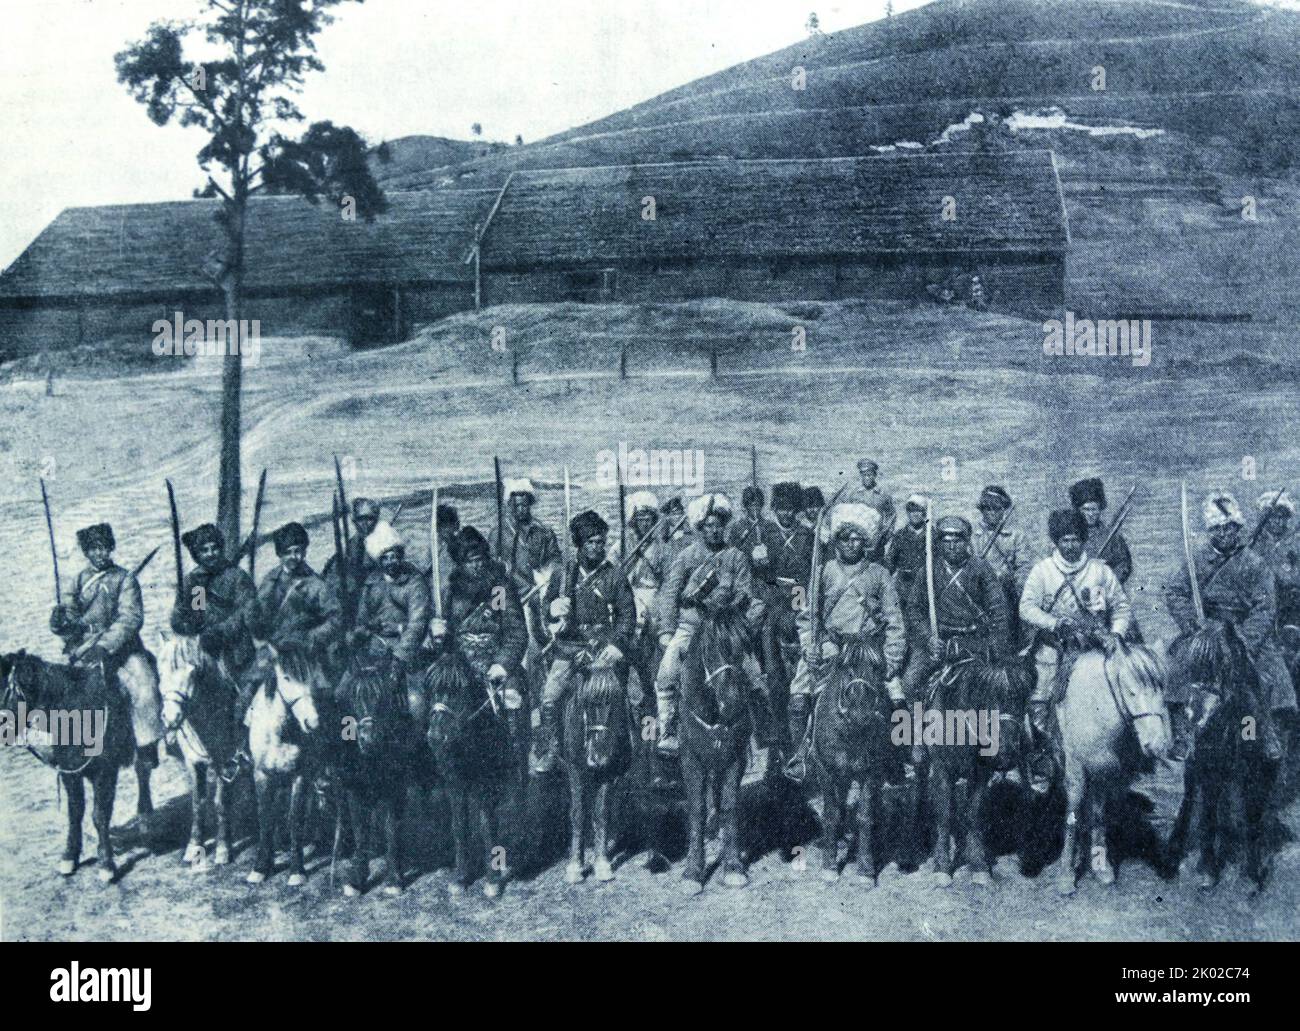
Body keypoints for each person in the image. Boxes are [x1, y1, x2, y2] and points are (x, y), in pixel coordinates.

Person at [1166, 491, 1296, 763]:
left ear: (1237, 528)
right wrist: (1192, 624)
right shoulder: (1197, 560)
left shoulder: (1254, 563)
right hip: (1208, 629)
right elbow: (1176, 592)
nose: (1224, 534)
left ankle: (1269, 730)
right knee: (1178, 664)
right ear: (1210, 531)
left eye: (1229, 528)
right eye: (1218, 529)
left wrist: (1246, 640)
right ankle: (1182, 732)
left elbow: (1265, 606)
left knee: (1272, 670)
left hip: (1244, 631)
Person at [784, 504, 906, 783]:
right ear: (837, 542)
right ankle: (802, 754)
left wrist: (892, 659)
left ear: (866, 544)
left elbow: (895, 620)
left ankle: (896, 757)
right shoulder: (821, 571)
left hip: (869, 648)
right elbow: (805, 614)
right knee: (799, 691)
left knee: (897, 695)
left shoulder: (879, 574)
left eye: (857, 539)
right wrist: (809, 647)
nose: (852, 544)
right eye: (846, 538)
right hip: (831, 645)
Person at [1019, 509, 1132, 791]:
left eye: (1075, 539)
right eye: (1065, 540)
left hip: (1092, 650)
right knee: (1040, 698)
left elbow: (1120, 607)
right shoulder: (1043, 570)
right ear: (1056, 541)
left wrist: (1115, 635)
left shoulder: (1100, 572)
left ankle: (1126, 755)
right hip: (1053, 649)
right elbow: (1026, 607)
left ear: (1083, 540)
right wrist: (1054, 623)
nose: (1070, 545)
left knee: (1126, 693)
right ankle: (1043, 755)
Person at [652, 493, 766, 757]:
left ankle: (763, 726)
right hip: (692, 626)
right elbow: (669, 593)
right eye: (709, 526)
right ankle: (668, 729)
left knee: (753, 672)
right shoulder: (686, 556)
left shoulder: (736, 557)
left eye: (719, 525)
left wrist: (730, 607)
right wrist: (667, 631)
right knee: (667, 672)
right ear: (700, 528)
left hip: (725, 626)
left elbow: (744, 591)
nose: (715, 530)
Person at [49, 522, 163, 770]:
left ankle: (147, 745)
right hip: (86, 649)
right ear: (86, 552)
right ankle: (71, 747)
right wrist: (60, 623)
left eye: (103, 548)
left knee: (146, 687)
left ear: (110, 549)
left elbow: (130, 618)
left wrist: (106, 645)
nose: (99, 554)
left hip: (124, 649)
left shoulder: (125, 579)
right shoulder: (77, 580)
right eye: (93, 549)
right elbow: (70, 617)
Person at [532, 511, 636, 774]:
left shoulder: (615, 575)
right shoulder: (563, 575)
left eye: (601, 542)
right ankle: (550, 745)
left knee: (634, 696)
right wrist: (553, 609)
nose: (597, 547)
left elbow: (627, 615)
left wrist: (617, 644)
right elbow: (545, 610)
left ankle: (639, 748)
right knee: (550, 696)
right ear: (579, 543)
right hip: (570, 647)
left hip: (605, 647)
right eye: (590, 542)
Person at [432, 526, 530, 776]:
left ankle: (517, 762)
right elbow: (446, 636)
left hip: (494, 661)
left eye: (479, 560)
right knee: (436, 702)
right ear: (460, 563)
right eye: (469, 561)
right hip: (461, 666)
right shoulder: (450, 592)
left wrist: (502, 663)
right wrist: (437, 634)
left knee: (512, 700)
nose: (476, 566)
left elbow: (515, 631)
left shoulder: (498, 589)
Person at [903, 515, 1010, 703]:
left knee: (1001, 687)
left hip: (973, 641)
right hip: (939, 640)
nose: (951, 546)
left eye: (957, 541)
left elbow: (998, 610)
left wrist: (994, 646)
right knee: (910, 682)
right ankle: (918, 728)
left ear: (967, 541)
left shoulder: (980, 568)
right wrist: (929, 638)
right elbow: (914, 609)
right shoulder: (929, 570)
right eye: (946, 541)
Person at [345, 521, 432, 726]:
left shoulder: (414, 582)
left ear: (400, 556)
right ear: (379, 560)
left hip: (406, 649)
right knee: (344, 692)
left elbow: (417, 624)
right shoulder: (371, 583)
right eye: (386, 558)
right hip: (374, 649)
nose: (391, 561)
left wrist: (399, 658)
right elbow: (361, 619)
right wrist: (364, 629)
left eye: (394, 556)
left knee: (416, 703)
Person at [171, 521, 256, 678]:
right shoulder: (194, 580)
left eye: (214, 548)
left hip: (236, 650)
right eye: (204, 550)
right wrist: (185, 622)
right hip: (203, 650)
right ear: (197, 555)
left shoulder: (236, 576)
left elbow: (245, 613)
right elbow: (191, 612)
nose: (210, 553)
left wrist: (218, 633)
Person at [623, 491, 672, 717]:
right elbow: (613, 572)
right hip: (628, 596)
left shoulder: (663, 549)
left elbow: (669, 583)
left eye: (648, 518)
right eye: (640, 518)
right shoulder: (623, 545)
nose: (644, 523)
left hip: (654, 599)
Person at [971, 485, 1028, 644]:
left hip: (1007, 591)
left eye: (997, 509)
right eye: (987, 509)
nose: (992, 513)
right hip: (981, 591)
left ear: (1004, 510)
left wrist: (1017, 584)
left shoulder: (1016, 536)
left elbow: (1024, 567)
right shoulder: (974, 536)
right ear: (982, 511)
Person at [1069, 478, 1132, 585]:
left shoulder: (1112, 536)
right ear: (1078, 510)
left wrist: (1106, 576)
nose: (1090, 514)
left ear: (1100, 509)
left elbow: (1124, 564)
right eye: (1086, 509)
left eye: (1094, 509)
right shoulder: (1070, 535)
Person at [323, 497, 381, 601]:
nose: (365, 523)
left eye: (369, 518)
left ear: (376, 520)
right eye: (360, 519)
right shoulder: (351, 545)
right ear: (354, 521)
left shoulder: (385, 542)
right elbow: (332, 576)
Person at [886, 494, 931, 624]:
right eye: (911, 511)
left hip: (926, 587)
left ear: (924, 513)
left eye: (919, 511)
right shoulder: (900, 536)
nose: (915, 514)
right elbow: (890, 563)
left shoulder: (932, 535)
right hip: (905, 587)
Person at [843, 460, 896, 562]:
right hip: (858, 541)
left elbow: (891, 516)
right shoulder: (854, 495)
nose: (867, 478)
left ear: (875, 475)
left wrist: (885, 537)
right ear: (861, 476)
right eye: (864, 475)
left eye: (870, 475)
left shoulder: (883, 495)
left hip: (877, 542)